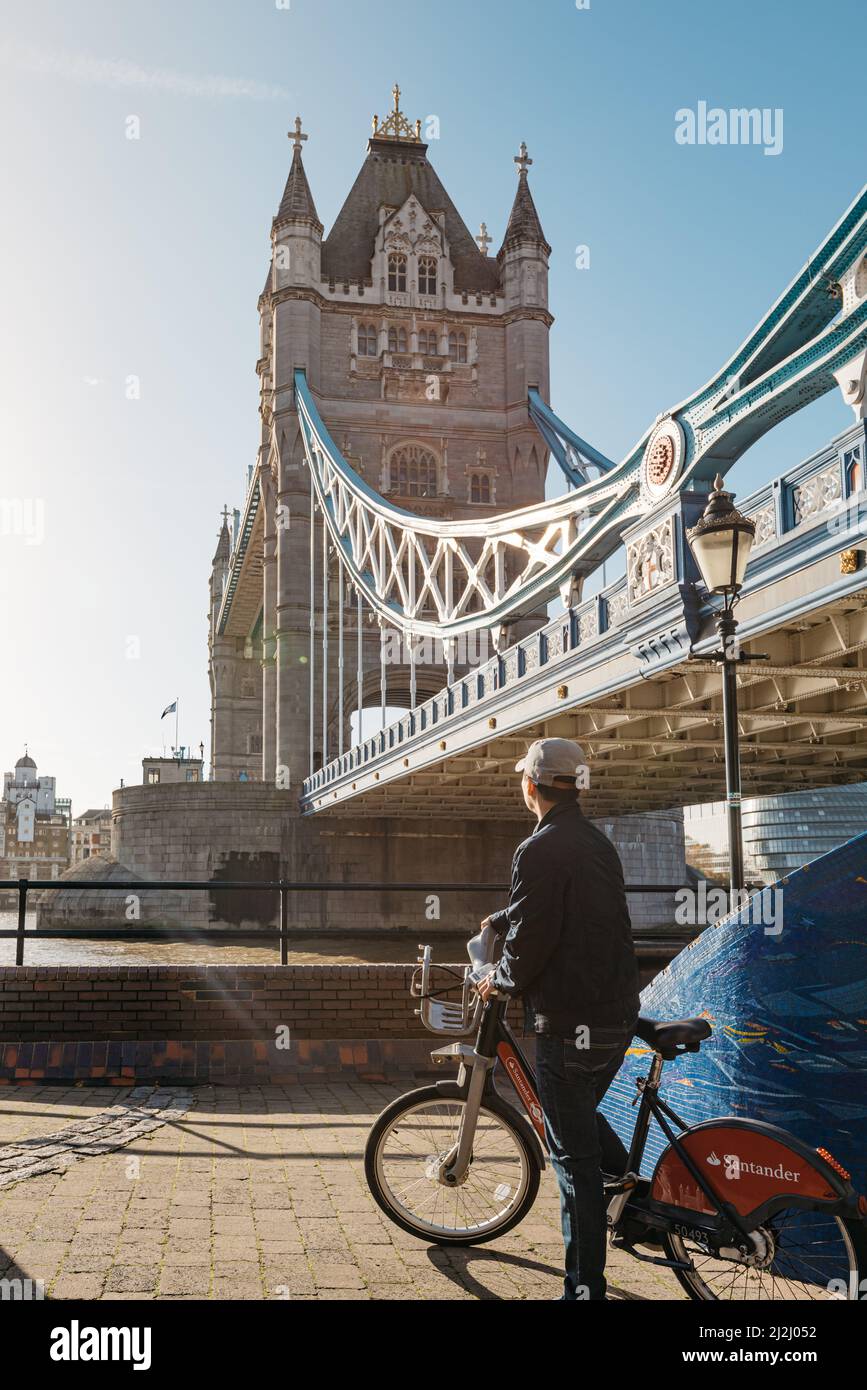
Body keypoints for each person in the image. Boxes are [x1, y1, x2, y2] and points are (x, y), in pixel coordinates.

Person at [476, 737, 640, 1301]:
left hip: (567, 1028)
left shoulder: (537, 848)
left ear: (530, 786)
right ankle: (640, 1206)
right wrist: (502, 917)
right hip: (616, 1018)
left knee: (573, 1164)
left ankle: (583, 1291)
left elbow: (534, 941)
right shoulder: (597, 843)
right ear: (577, 785)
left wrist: (497, 981)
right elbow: (562, 909)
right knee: (578, 1120)